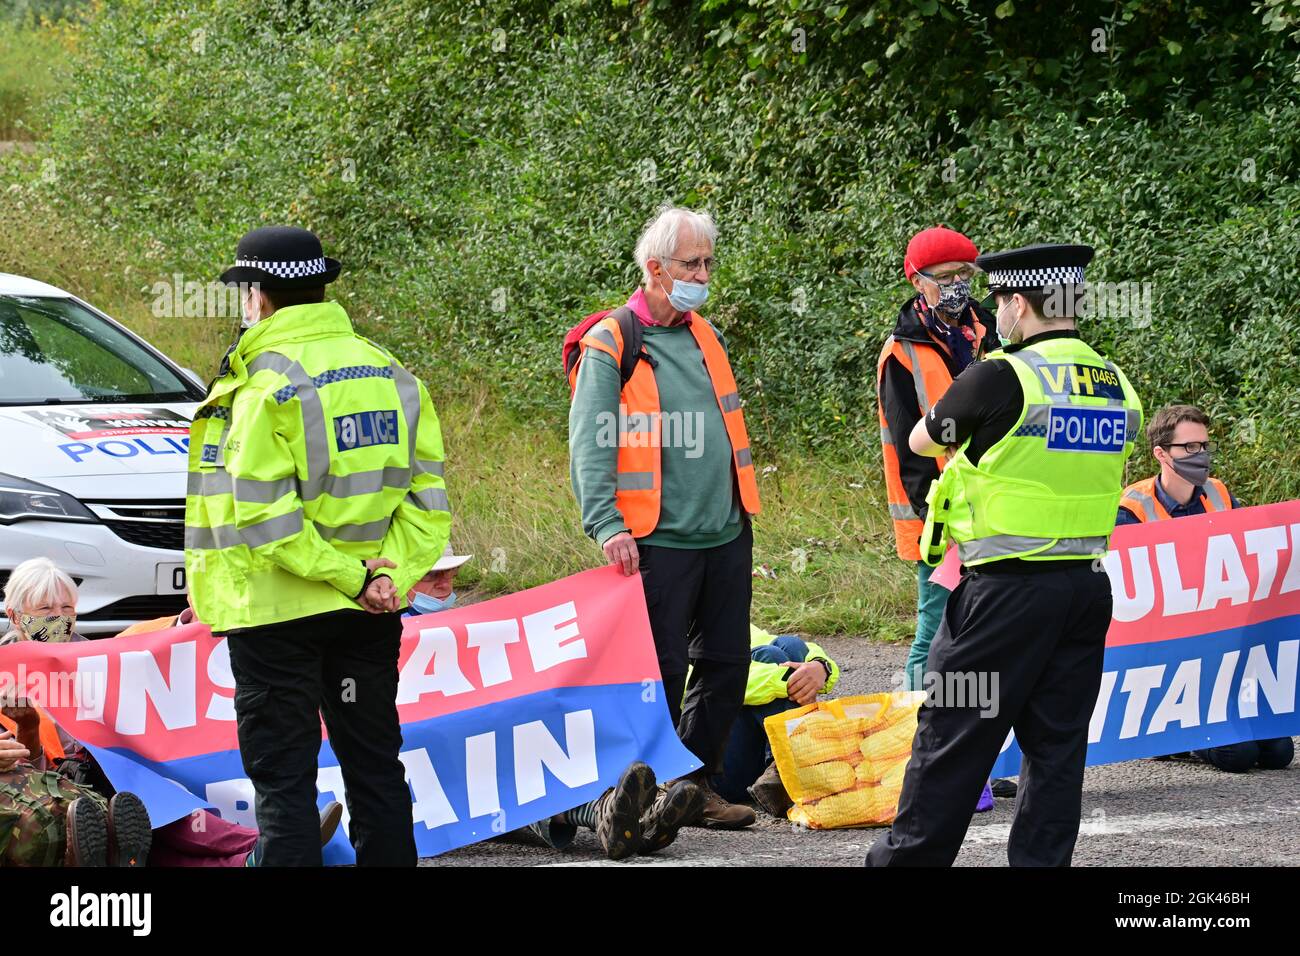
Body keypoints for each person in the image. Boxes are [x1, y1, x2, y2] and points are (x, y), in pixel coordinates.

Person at [866, 243, 1144, 867]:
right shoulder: (1115, 383)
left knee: (952, 744)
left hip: (1002, 596)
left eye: (999, 302)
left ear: (1020, 303)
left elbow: (921, 436)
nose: (994, 314)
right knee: (1057, 754)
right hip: (1083, 591)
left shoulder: (1002, 375)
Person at [185, 226, 451, 866]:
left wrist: (349, 577)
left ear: (258, 296)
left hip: (276, 615)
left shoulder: (263, 384)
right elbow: (428, 499)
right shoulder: (390, 371)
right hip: (366, 614)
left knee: (285, 788)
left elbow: (263, 516)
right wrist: (386, 580)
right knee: (375, 769)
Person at [568, 204, 761, 829]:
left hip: (727, 531)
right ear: (655, 269)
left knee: (727, 665)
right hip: (657, 537)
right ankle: (640, 792)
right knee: (659, 672)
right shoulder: (612, 340)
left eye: (708, 262)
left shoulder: (706, 332)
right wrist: (606, 523)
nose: (703, 274)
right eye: (691, 263)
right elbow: (592, 441)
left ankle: (694, 786)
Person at [0, 557, 340, 865]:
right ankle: (271, 846)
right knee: (153, 826)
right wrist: (28, 726)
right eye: (45, 610)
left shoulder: (100, 660)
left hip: (106, 779)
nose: (58, 619)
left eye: (66, 608)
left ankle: (254, 857)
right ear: (15, 616)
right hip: (62, 791)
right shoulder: (5, 673)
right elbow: (23, 779)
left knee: (156, 822)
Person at [401, 550, 703, 859]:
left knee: (539, 737)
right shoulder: (386, 631)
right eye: (431, 575)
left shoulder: (470, 624)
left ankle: (633, 819)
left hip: (477, 747)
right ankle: (612, 813)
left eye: (449, 573)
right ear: (403, 579)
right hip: (431, 758)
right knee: (504, 772)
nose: (443, 583)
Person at [1117, 404, 1292, 773]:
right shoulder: (1132, 509)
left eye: (1205, 446)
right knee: (1238, 756)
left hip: (1219, 648)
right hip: (1165, 653)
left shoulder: (1219, 494)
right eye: (1190, 448)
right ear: (1161, 454)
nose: (1202, 456)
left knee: (1279, 753)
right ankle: (1175, 742)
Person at [878, 226, 995, 694]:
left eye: (963, 274)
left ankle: (970, 753)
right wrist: (936, 521)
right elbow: (908, 446)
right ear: (917, 282)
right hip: (939, 513)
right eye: (943, 277)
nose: (956, 285)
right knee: (935, 625)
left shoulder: (993, 330)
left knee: (985, 628)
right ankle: (915, 740)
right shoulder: (900, 353)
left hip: (994, 504)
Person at [715, 626, 840, 817]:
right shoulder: (666, 627)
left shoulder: (716, 613)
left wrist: (820, 667)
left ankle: (784, 769)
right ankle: (790, 767)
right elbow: (702, 685)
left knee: (790, 645)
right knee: (769, 655)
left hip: (750, 757)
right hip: (714, 769)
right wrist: (787, 683)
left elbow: (776, 641)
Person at [403, 543, 471, 616]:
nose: (444, 585)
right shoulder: (394, 625)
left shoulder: (466, 619)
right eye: (428, 574)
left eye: (449, 571)